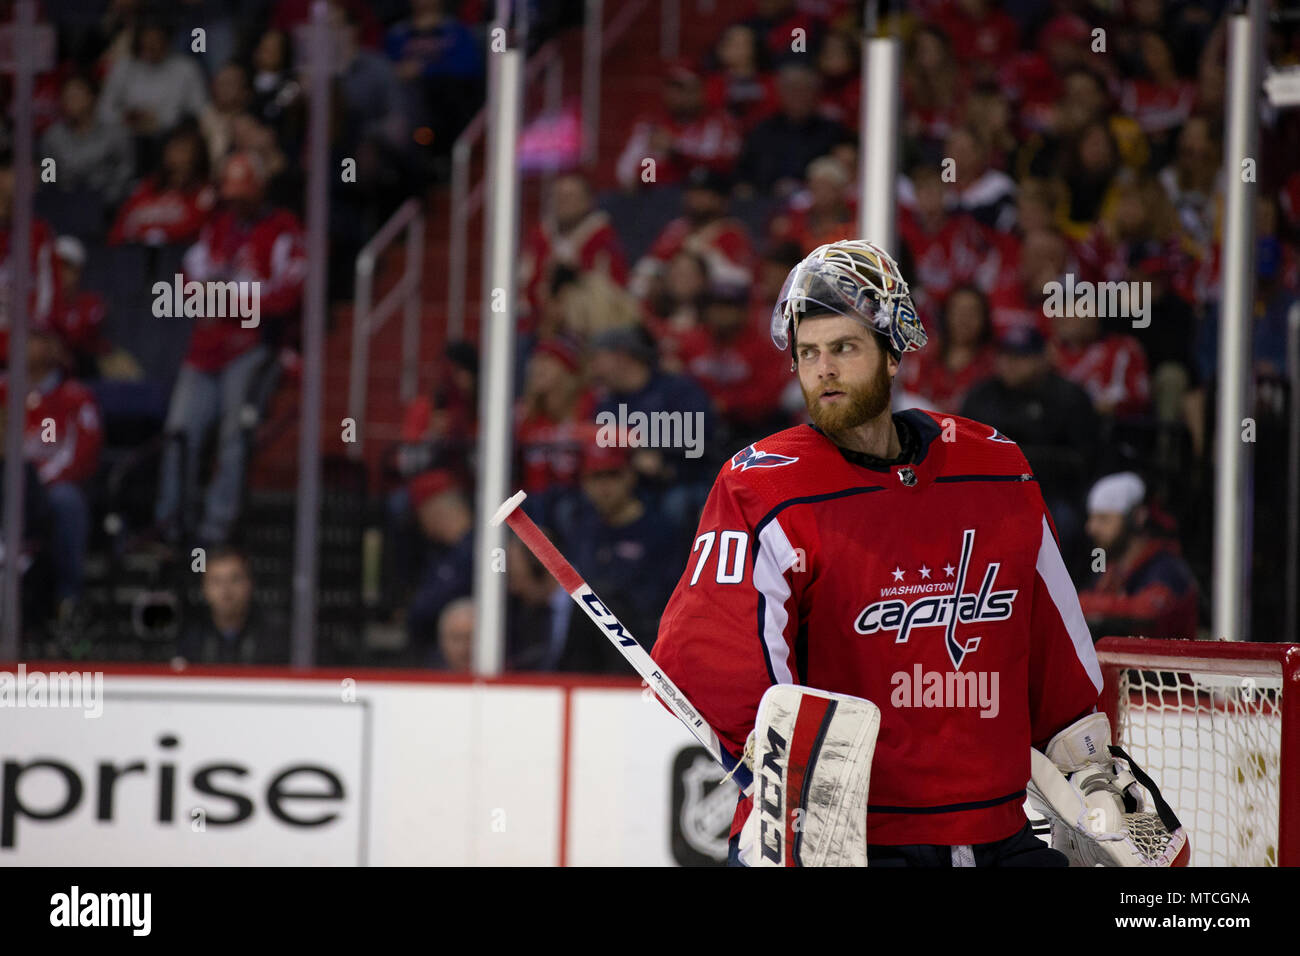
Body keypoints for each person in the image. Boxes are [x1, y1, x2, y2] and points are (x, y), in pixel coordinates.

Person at [651, 239, 1106, 867]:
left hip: (1001, 834)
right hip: (851, 842)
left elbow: (1056, 648)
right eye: (808, 354)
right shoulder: (762, 486)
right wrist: (783, 773)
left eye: (844, 348)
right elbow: (708, 653)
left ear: (893, 354)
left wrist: (1087, 762)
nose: (824, 370)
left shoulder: (996, 469)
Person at [154, 151, 306, 546]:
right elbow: (186, 285)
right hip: (203, 352)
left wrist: (222, 298)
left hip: (251, 349)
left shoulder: (282, 229)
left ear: (259, 188)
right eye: (231, 193)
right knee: (178, 434)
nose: (236, 200)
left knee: (234, 436)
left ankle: (216, 531)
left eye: (243, 192)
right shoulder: (217, 227)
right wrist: (233, 298)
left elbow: (286, 297)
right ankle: (171, 527)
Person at [1078, 472, 1199, 641]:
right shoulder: (1106, 566)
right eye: (1092, 519)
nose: (1091, 528)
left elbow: (1149, 610)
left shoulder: (1166, 565)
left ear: (1137, 518)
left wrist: (1089, 604)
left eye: (1104, 520)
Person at [177, 546, 288, 664]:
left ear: (250, 584)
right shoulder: (191, 640)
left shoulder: (276, 638)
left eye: (235, 579)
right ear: (204, 588)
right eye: (216, 581)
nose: (226, 591)